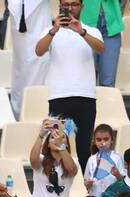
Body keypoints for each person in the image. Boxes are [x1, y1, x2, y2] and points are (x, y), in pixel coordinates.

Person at [35, 0, 102, 160]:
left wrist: (81, 31)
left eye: (74, 4)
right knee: (56, 147)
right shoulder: (50, 30)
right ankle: (56, 185)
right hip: (59, 97)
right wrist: (54, 30)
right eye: (65, 5)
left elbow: (100, 49)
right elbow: (38, 51)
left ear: (82, 6)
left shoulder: (91, 30)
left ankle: (88, 184)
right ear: (59, 6)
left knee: (84, 148)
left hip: (86, 97)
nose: (69, 8)